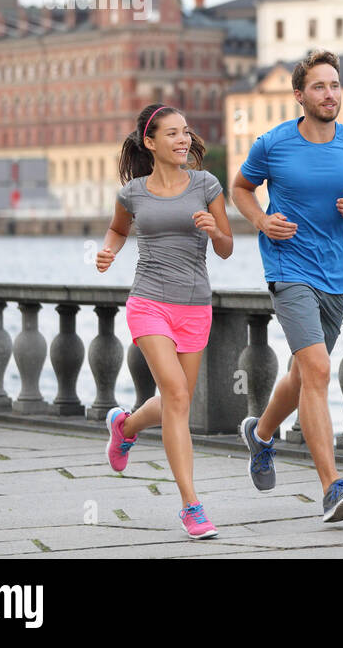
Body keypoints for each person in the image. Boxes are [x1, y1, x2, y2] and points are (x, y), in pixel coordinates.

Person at [231, 48, 343, 524]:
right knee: (317, 369)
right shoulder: (272, 144)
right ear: (300, 95)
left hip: (338, 274)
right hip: (289, 269)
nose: (329, 94)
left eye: (335, 85)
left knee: (303, 374)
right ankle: (331, 486)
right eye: (319, 86)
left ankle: (260, 436)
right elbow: (240, 188)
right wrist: (261, 219)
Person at [96, 104, 233, 539]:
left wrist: (214, 230)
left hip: (195, 306)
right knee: (175, 395)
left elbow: (228, 247)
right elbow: (118, 230)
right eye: (172, 134)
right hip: (148, 301)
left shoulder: (207, 184)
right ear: (150, 143)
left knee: (178, 400)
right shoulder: (133, 193)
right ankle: (191, 506)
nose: (183, 140)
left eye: (186, 132)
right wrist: (108, 251)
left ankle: (126, 426)